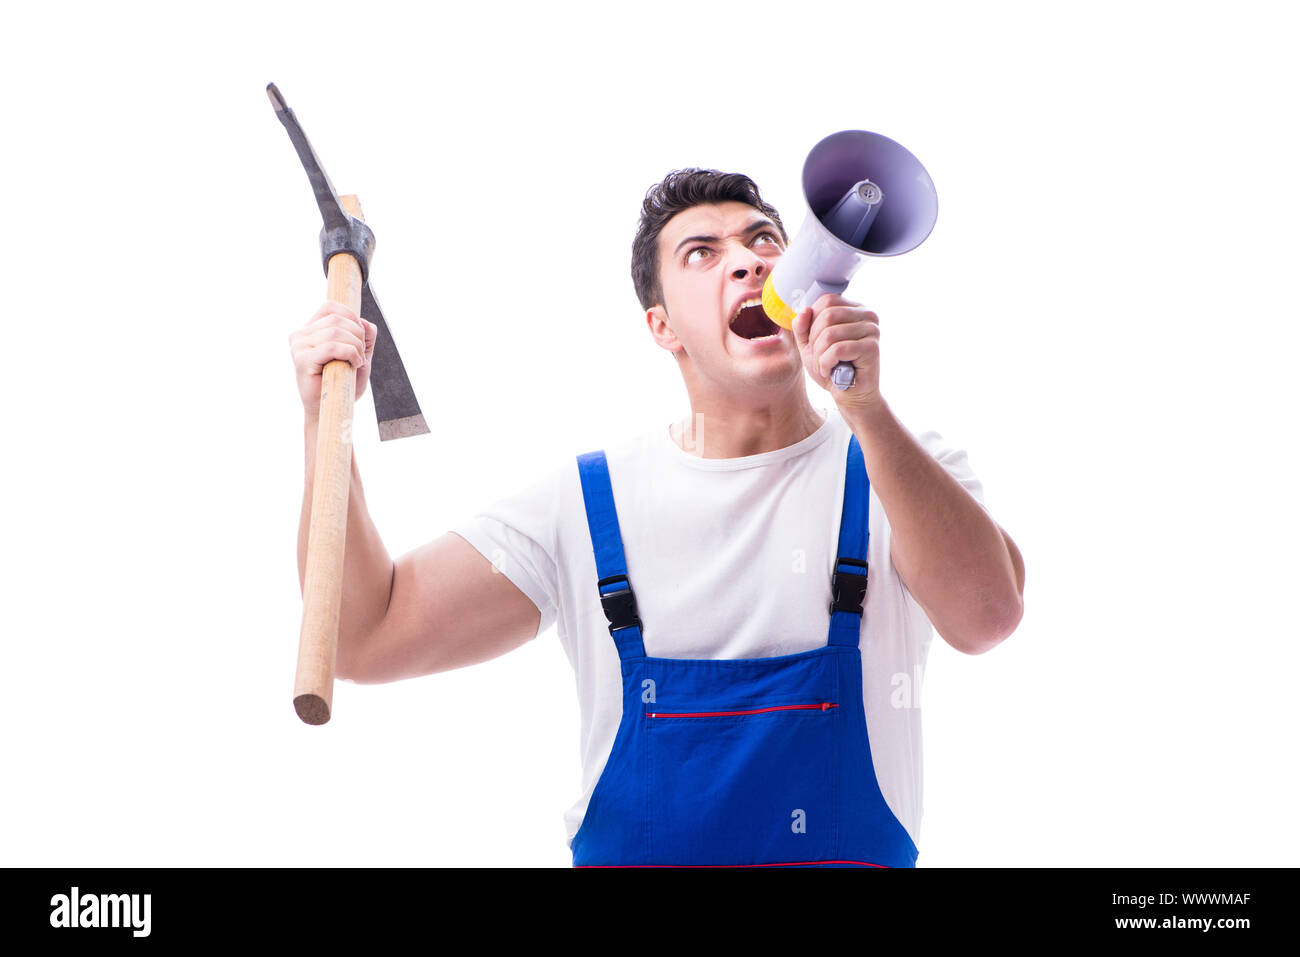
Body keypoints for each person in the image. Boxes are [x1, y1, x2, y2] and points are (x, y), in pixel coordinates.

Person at [289, 168, 1026, 868]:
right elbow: (364, 636)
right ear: (663, 326)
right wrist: (326, 423)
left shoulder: (899, 468)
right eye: (702, 252)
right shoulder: (584, 504)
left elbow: (988, 615)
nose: (749, 262)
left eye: (764, 239)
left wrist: (864, 408)